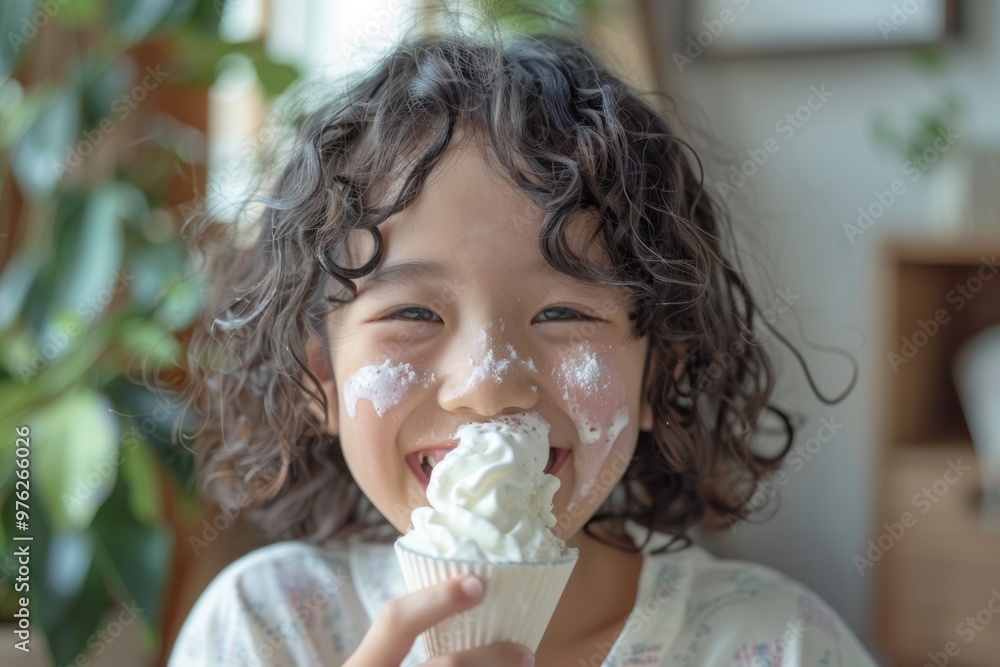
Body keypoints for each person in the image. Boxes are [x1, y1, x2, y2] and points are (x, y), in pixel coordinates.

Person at [168, 18, 878, 667]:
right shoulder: (263, 629)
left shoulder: (780, 644)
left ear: (659, 368)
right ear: (320, 376)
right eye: (413, 313)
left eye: (563, 311)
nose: (487, 383)